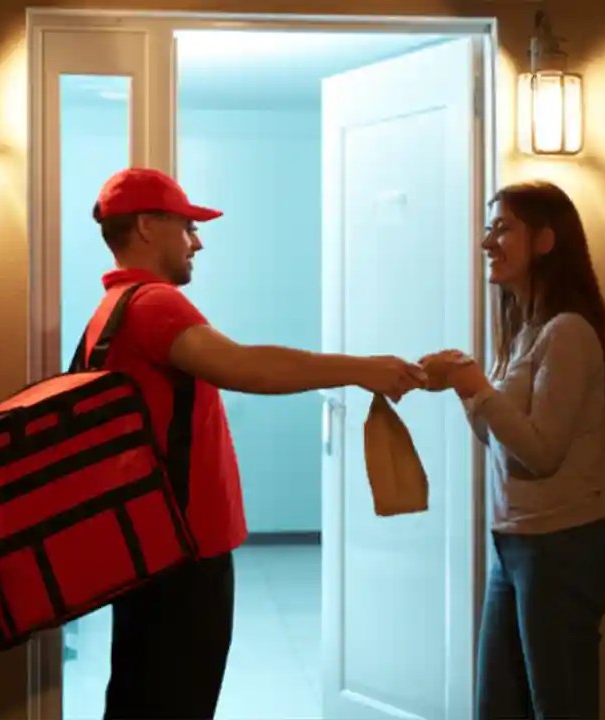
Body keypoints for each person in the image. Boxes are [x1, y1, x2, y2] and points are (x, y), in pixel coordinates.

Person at [84, 167, 426, 719]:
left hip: (157, 549)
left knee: (142, 696)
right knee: (172, 703)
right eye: (187, 226)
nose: (197, 241)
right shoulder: (154, 304)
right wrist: (362, 368)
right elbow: (244, 366)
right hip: (182, 553)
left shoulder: (112, 310)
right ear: (147, 226)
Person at [421, 180, 605, 720]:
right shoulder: (526, 332)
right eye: (489, 228)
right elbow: (502, 441)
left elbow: (542, 452)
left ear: (547, 241)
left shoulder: (569, 333)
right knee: (498, 709)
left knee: (560, 708)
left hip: (560, 549)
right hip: (516, 548)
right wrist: (469, 389)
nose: (488, 242)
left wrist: (476, 386)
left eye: (503, 227)